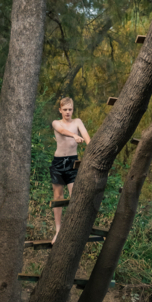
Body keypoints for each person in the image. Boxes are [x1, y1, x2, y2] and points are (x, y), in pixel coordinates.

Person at [50, 97, 91, 242]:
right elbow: (61, 131)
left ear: (73, 110)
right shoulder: (56, 123)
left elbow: (86, 137)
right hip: (58, 163)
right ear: (60, 110)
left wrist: (89, 146)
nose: (68, 112)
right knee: (58, 197)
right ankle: (58, 230)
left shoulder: (77, 122)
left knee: (75, 196)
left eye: (70, 109)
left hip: (73, 163)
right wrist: (74, 135)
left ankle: (73, 229)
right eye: (65, 109)